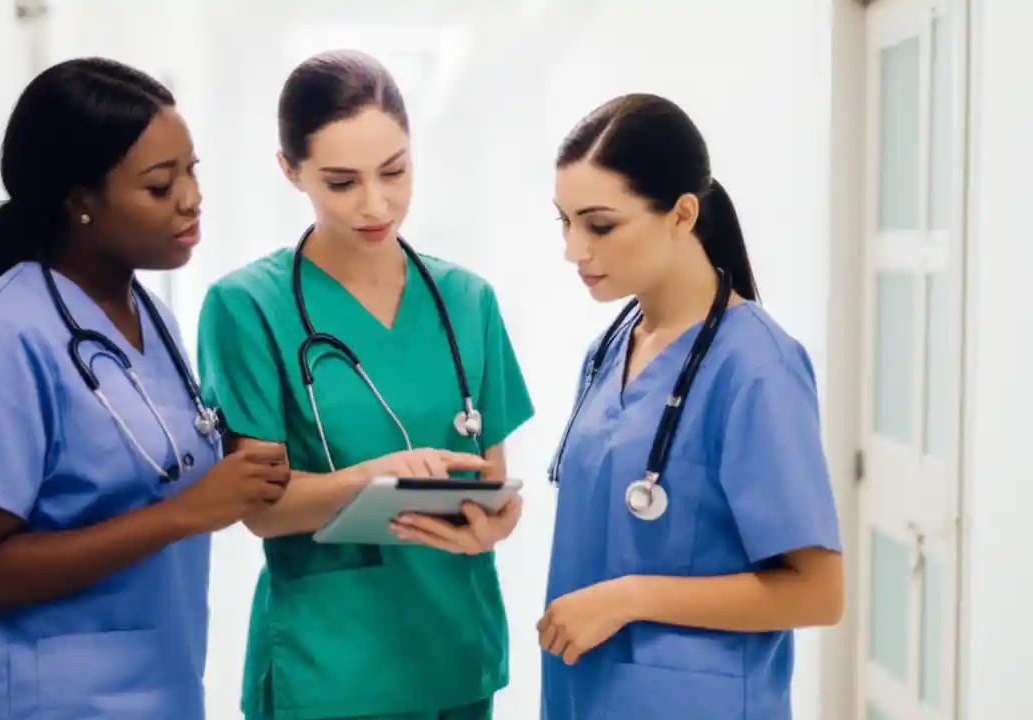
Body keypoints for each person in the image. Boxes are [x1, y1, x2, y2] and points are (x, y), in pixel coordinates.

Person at [0, 57, 290, 720]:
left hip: (160, 691)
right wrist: (185, 512)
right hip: (47, 701)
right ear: (81, 204)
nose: (191, 198)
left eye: (192, 170)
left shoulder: (148, 315)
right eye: (160, 185)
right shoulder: (8, 336)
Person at [196, 49, 535, 720]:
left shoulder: (466, 300)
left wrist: (493, 525)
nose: (376, 204)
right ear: (291, 171)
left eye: (395, 172)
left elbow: (489, 479)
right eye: (342, 181)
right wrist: (372, 481)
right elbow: (260, 508)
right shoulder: (248, 307)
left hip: (455, 653)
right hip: (330, 667)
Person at [538, 93, 845, 719]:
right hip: (584, 695)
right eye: (563, 221)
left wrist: (628, 598)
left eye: (599, 224)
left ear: (682, 214)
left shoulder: (757, 367)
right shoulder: (609, 350)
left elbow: (818, 593)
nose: (574, 248)